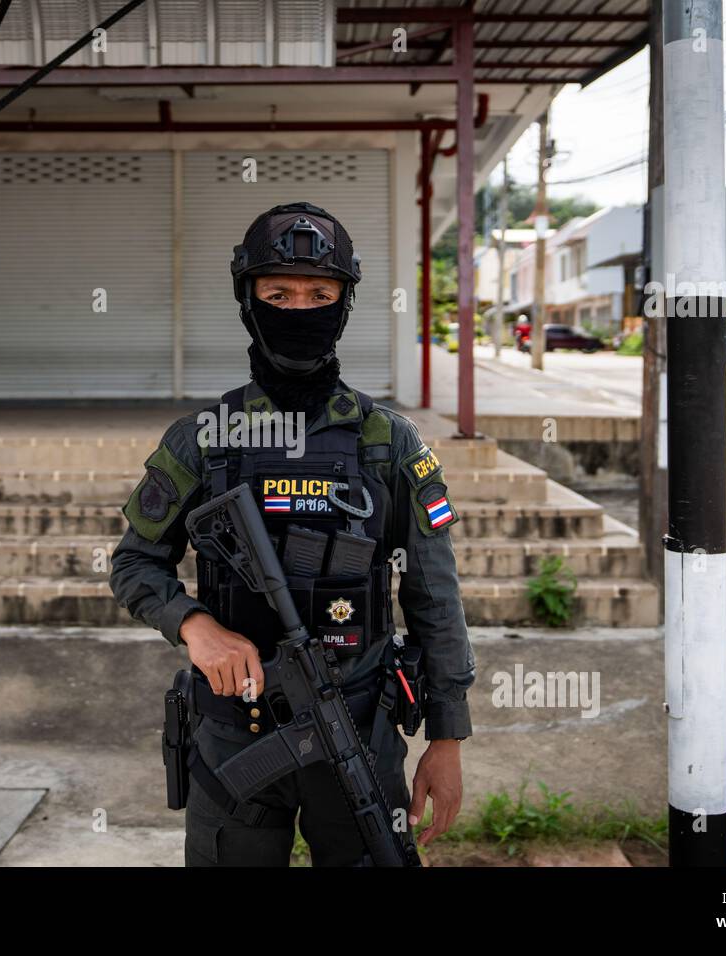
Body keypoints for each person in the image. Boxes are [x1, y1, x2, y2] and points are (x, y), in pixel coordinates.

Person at [110, 201, 475, 866]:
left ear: (342, 304)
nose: (298, 309)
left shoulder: (387, 442)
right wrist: (193, 624)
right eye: (278, 293)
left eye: (319, 294)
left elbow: (434, 596)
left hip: (358, 728)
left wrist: (446, 738)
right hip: (234, 735)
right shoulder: (203, 439)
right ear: (249, 302)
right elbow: (135, 561)